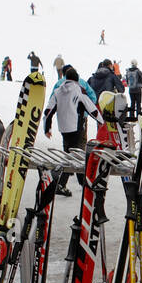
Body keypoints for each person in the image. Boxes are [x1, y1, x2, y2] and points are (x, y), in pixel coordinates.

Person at [43, 67, 101, 195]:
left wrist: (47, 127)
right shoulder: (80, 86)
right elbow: (91, 102)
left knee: (70, 151)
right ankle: (71, 183)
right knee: (76, 152)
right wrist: (97, 119)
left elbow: (50, 108)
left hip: (63, 126)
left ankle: (81, 182)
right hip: (78, 124)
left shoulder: (58, 87)